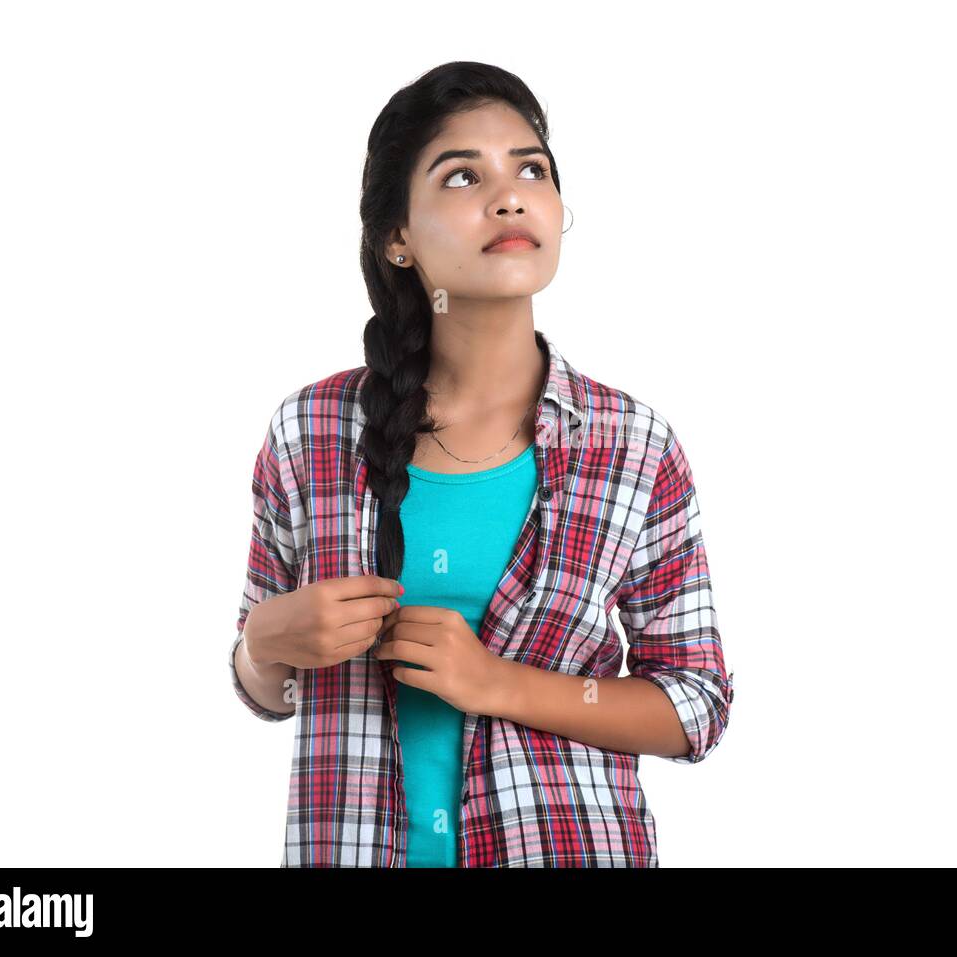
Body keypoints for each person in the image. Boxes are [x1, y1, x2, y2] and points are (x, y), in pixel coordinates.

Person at [230, 61, 734, 867]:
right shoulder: (311, 431)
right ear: (397, 236)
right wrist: (263, 642)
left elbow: (696, 705)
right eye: (462, 175)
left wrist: (494, 682)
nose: (509, 195)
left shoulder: (634, 444)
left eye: (530, 169)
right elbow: (269, 692)